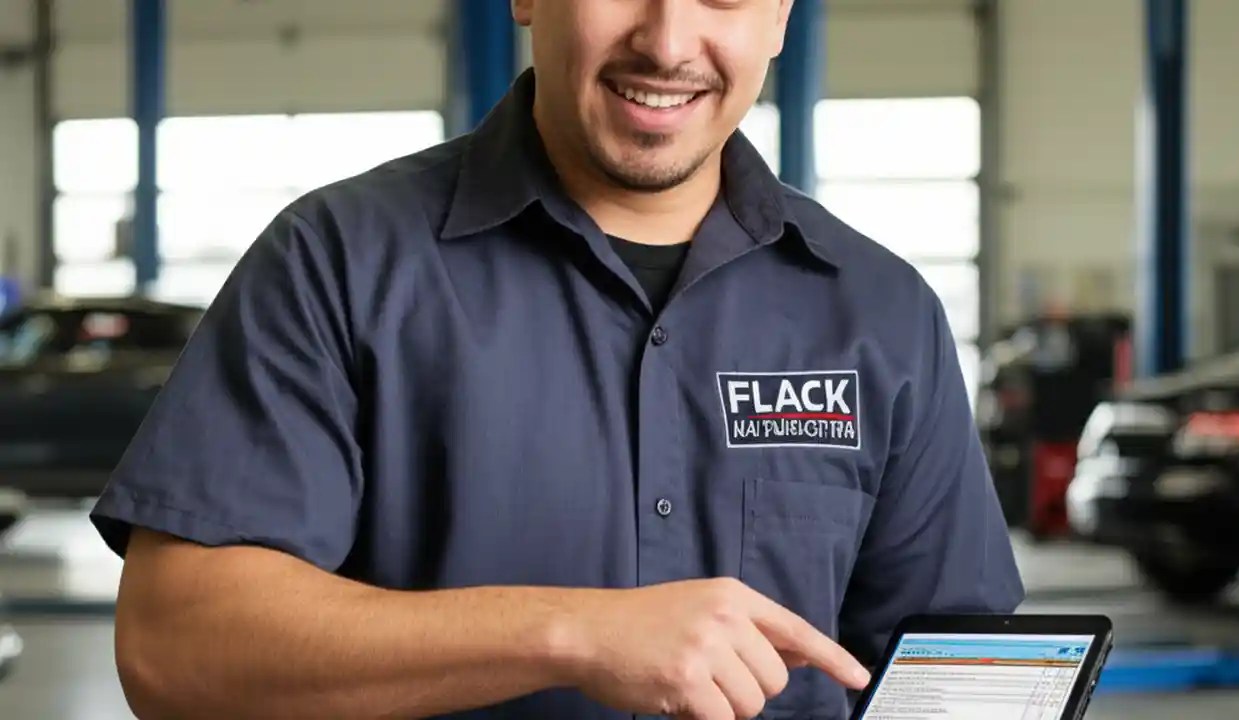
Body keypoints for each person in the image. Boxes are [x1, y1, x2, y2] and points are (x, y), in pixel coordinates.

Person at [91, 1, 1025, 718]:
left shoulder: (879, 312)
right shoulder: (338, 264)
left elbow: (959, 673)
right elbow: (176, 646)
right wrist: (574, 630)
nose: (667, 42)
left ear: (780, 17)